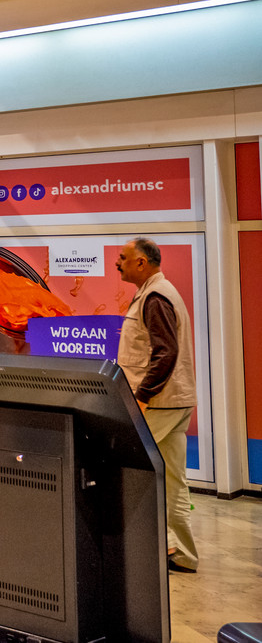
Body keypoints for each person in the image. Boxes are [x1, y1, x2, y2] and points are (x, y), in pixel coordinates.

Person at [115, 236, 199, 573]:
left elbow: (165, 352)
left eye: (123, 257)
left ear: (141, 262)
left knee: (123, 468)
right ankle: (184, 555)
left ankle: (136, 548)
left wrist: (143, 396)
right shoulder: (157, 292)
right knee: (174, 479)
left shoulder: (155, 296)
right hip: (175, 401)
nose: (117, 262)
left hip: (159, 403)